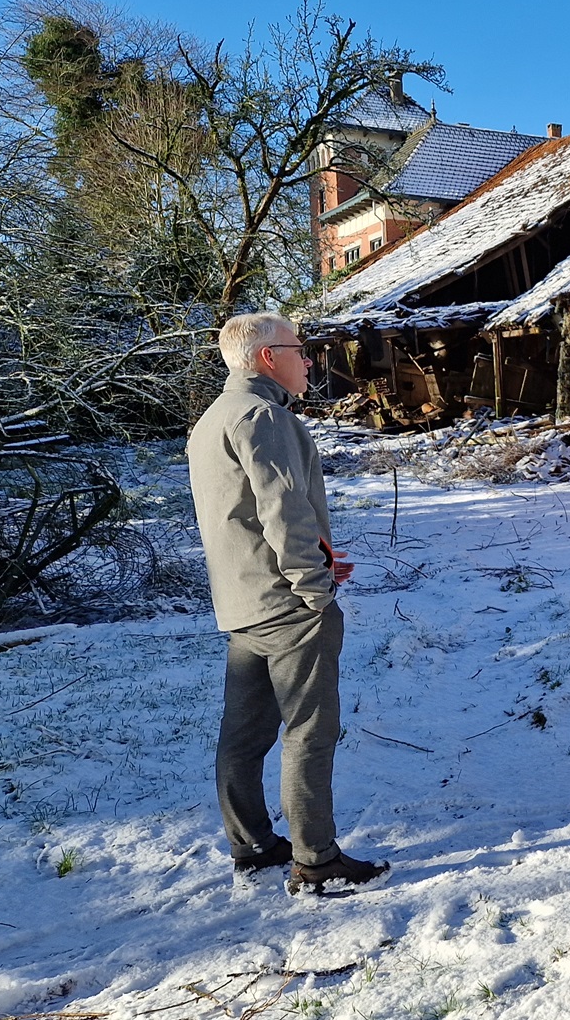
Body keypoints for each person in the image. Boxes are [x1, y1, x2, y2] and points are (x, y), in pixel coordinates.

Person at [186, 312, 389, 895]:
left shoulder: (212, 420)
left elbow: (242, 517)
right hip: (287, 607)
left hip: (242, 602)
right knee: (310, 730)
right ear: (269, 357)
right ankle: (317, 861)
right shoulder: (262, 416)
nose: (309, 360)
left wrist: (318, 560)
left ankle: (252, 844)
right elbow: (283, 510)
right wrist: (313, 584)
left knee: (244, 736)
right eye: (300, 351)